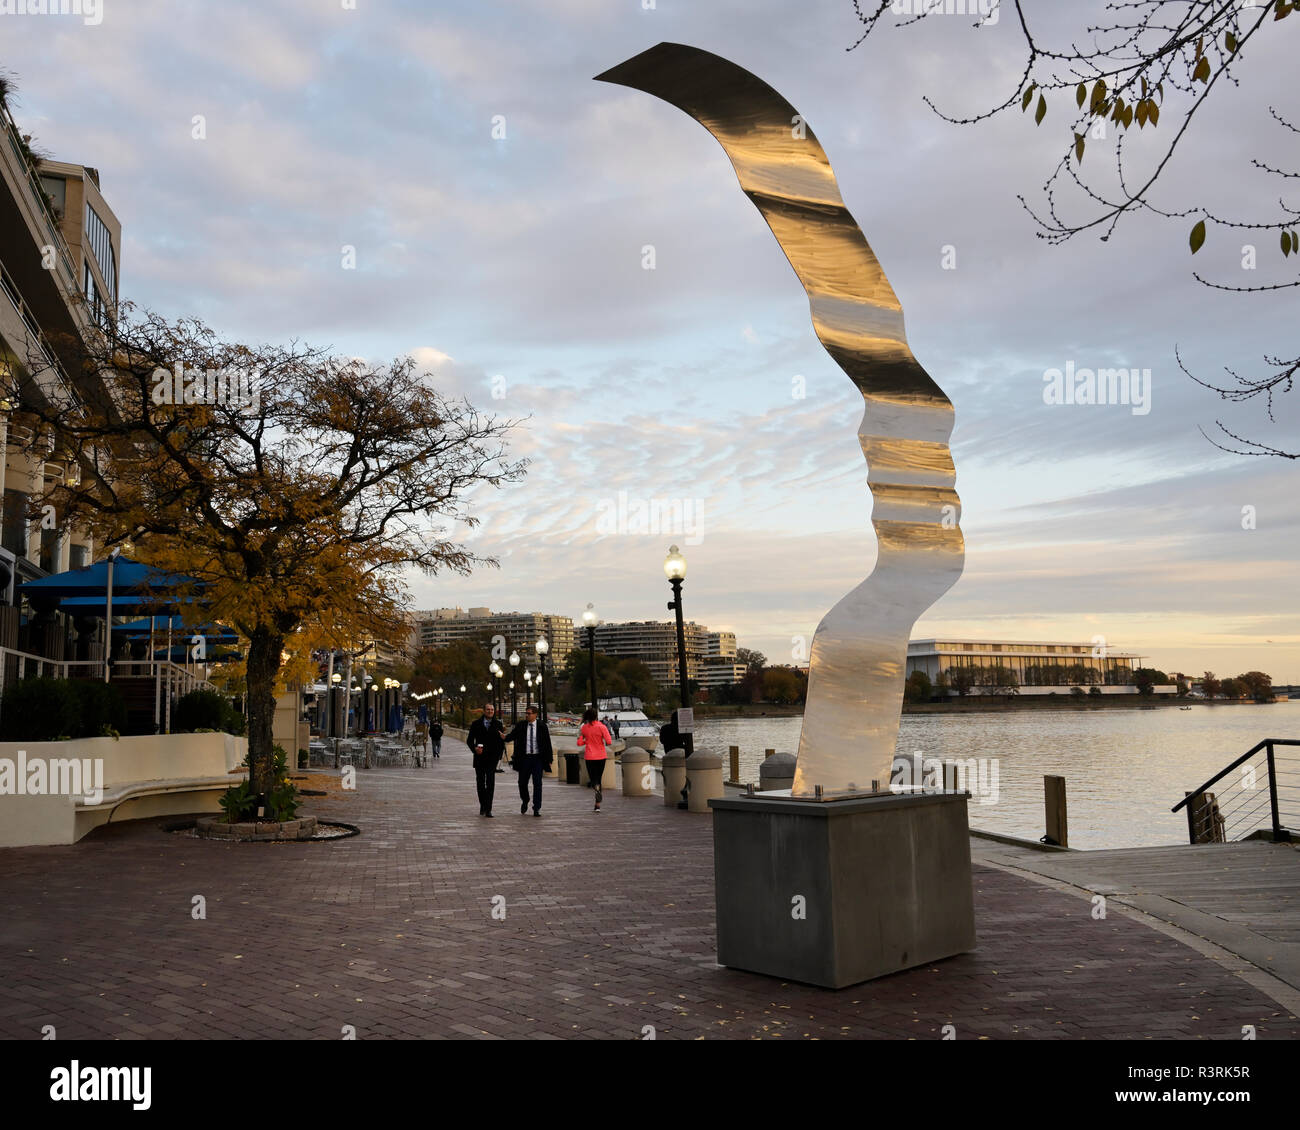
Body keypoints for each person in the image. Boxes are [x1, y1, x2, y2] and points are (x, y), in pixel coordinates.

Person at [508, 703, 553, 816]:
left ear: (535, 715)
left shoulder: (542, 726)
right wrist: (503, 737)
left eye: (529, 714)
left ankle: (536, 808)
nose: (527, 715)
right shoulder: (521, 725)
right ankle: (525, 800)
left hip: (538, 759)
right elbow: (512, 736)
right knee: (522, 783)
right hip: (524, 759)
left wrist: (549, 759)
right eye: (526, 713)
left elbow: (547, 743)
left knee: (538, 784)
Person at [466, 703, 505, 817]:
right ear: (484, 711)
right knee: (480, 783)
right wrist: (475, 749)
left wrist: (498, 757)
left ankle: (488, 809)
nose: (490, 711)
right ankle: (482, 805)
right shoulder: (476, 724)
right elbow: (469, 740)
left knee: (490, 783)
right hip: (479, 758)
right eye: (488, 709)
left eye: (492, 710)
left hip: (492, 759)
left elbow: (500, 742)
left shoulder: (498, 724)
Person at [576, 707, 614, 813]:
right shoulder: (602, 727)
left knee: (593, 780)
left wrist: (586, 741)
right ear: (596, 716)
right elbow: (609, 741)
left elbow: (579, 743)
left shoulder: (584, 728)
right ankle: (597, 805)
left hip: (589, 756)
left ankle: (596, 789)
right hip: (601, 756)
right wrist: (600, 740)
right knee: (598, 778)